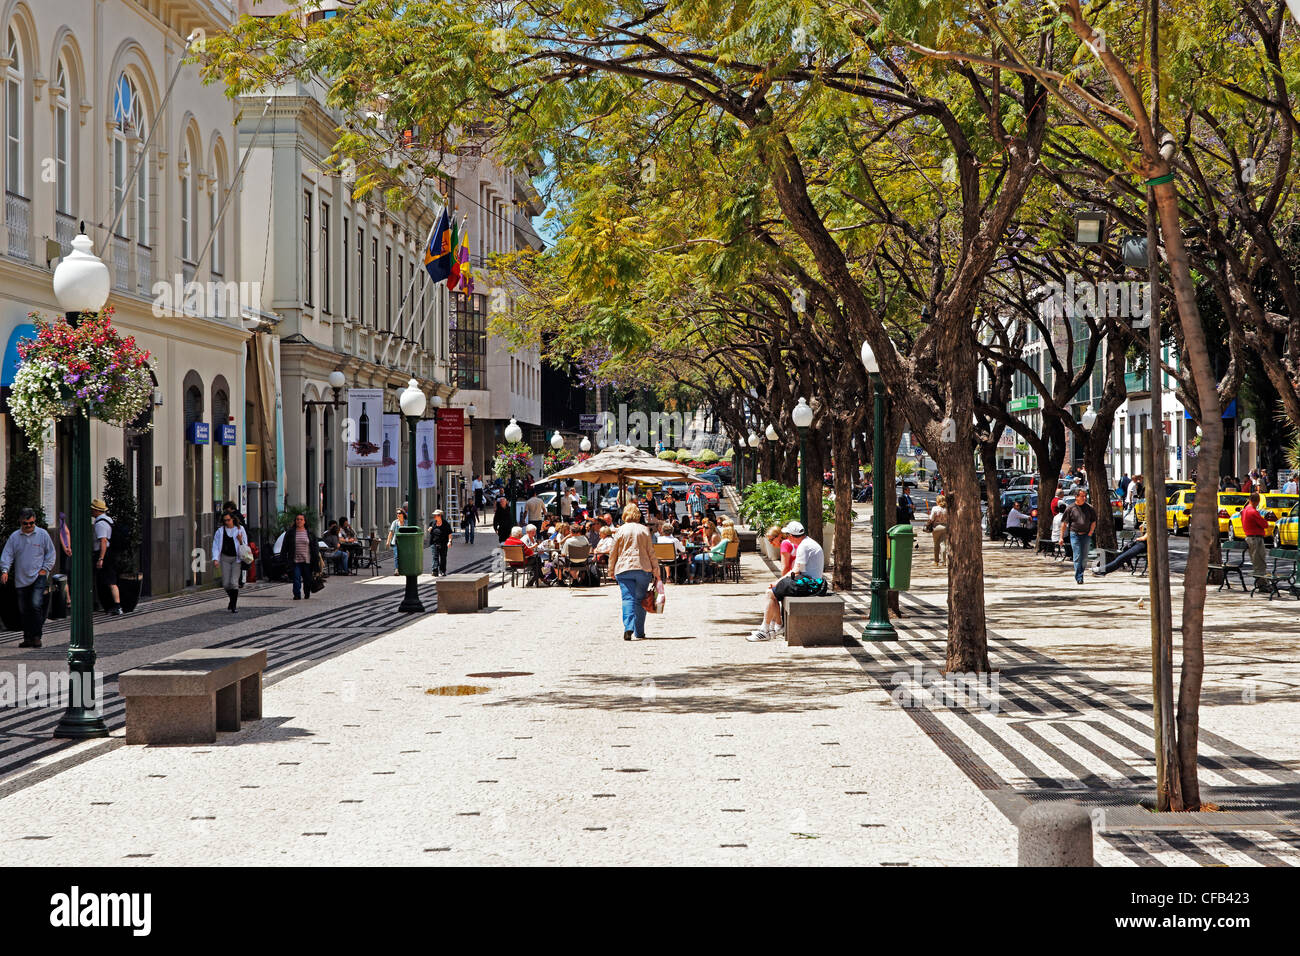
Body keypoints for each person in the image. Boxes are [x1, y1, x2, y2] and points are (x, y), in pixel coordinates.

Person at [749, 521, 826, 642]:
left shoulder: (803, 547)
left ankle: (765, 630)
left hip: (810, 585)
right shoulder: (808, 543)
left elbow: (796, 571)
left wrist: (778, 582)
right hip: (813, 582)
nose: (787, 538)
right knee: (772, 592)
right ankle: (772, 627)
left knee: (770, 593)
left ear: (791, 535)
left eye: (788, 535)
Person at [1, 508, 56, 647]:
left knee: (35, 605)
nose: (29, 526)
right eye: (26, 523)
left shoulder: (42, 534)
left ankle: (37, 636)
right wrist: (5, 570)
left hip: (39, 576)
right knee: (24, 609)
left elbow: (51, 553)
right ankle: (27, 638)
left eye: (31, 523)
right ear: (20, 522)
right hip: (21, 578)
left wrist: (45, 569)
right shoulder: (14, 537)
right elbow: (7, 554)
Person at [607, 502, 660, 641]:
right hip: (643, 568)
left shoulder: (620, 530)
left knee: (627, 598)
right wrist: (656, 569)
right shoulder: (644, 530)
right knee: (640, 599)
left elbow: (613, 552)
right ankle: (640, 631)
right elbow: (651, 551)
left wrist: (610, 569)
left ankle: (628, 627)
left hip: (623, 568)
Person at [88, 498, 122, 616]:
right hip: (110, 553)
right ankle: (115, 605)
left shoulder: (100, 524)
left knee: (108, 581)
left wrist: (101, 558)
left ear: (97, 511)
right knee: (110, 579)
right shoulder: (108, 520)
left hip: (104, 553)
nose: (91, 511)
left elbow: (103, 541)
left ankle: (115, 606)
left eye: (92, 509)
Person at [275, 512, 319, 599]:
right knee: (296, 578)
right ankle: (297, 594)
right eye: (297, 519)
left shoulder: (309, 533)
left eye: (301, 519)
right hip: (295, 560)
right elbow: (285, 546)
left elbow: (315, 547)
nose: (299, 521)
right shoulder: (290, 533)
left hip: (307, 560)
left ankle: (307, 593)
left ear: (304, 521)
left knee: (307, 579)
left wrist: (316, 559)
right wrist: (283, 558)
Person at [212, 511, 250, 611]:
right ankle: (232, 600)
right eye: (225, 521)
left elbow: (246, 545)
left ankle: (233, 605)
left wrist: (240, 540)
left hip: (236, 558)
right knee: (225, 583)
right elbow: (215, 546)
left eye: (228, 520)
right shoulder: (220, 531)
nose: (227, 522)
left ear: (232, 519)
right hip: (225, 558)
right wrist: (215, 559)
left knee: (234, 582)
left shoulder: (240, 529)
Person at [1059, 488, 1097, 584]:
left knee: (1084, 557)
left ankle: (1080, 573)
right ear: (1076, 497)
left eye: (1085, 496)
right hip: (1074, 534)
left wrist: (1090, 533)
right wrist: (1061, 537)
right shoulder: (1070, 508)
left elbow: (1093, 521)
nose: (1084, 498)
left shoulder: (1089, 508)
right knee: (1077, 556)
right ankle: (1079, 577)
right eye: (1082, 496)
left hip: (1086, 535)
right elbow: (1064, 524)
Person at [1240, 492, 1269, 581]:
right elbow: (1264, 524)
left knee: (1256, 562)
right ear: (1257, 501)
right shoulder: (1253, 511)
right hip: (1256, 538)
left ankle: (1260, 583)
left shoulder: (1245, 510)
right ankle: (1262, 584)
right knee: (1260, 562)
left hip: (1249, 537)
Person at [428, 510, 453, 576]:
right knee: (435, 557)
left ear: (440, 516)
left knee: (443, 557)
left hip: (443, 543)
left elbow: (449, 533)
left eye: (436, 515)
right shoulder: (432, 523)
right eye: (434, 515)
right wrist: (429, 529)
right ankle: (435, 571)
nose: (434, 516)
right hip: (434, 543)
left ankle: (442, 571)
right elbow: (430, 530)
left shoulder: (445, 524)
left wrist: (449, 541)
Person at [927, 495, 950, 565]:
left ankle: (936, 561)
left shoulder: (935, 508)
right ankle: (943, 561)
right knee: (943, 544)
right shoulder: (947, 509)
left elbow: (931, 518)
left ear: (938, 501)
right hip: (945, 527)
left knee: (936, 544)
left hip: (936, 527)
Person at [384, 507, 407, 574]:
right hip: (396, 542)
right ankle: (396, 569)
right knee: (396, 556)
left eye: (399, 513)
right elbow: (391, 532)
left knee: (403, 556)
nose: (398, 514)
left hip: (405, 542)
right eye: (397, 513)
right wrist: (388, 542)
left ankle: (403, 569)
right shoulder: (395, 522)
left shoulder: (407, 522)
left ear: (403, 514)